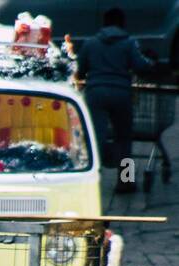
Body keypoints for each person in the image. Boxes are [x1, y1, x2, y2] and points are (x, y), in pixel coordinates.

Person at [75, 7, 154, 194]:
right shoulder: (129, 43)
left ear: (104, 24)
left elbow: (80, 70)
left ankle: (93, 175)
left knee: (96, 137)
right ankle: (125, 181)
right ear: (122, 24)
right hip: (121, 94)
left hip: (96, 94)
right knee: (124, 138)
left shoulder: (90, 43)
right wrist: (152, 63)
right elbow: (140, 66)